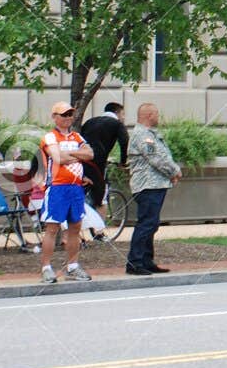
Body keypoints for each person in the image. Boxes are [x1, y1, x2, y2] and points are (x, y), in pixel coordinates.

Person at [38, 102, 94, 284]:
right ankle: (46, 268)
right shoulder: (50, 137)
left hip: (75, 187)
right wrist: (78, 155)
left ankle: (72, 266)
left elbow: (90, 154)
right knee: (52, 228)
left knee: (75, 228)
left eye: (70, 114)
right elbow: (58, 158)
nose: (68, 118)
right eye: (64, 115)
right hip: (57, 187)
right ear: (54, 117)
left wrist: (70, 155)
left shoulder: (76, 136)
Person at [125, 102, 181, 275]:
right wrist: (174, 171)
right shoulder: (143, 135)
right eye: (156, 114)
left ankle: (146, 260)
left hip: (155, 184)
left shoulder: (149, 134)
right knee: (147, 223)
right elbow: (156, 158)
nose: (158, 117)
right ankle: (134, 262)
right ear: (149, 115)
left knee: (152, 223)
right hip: (147, 185)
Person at [78, 101, 130, 221]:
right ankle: (99, 231)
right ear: (117, 112)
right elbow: (124, 143)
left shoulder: (90, 121)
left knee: (81, 190)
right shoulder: (117, 124)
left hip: (82, 160)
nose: (123, 117)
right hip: (98, 164)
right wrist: (123, 162)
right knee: (102, 196)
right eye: (123, 114)